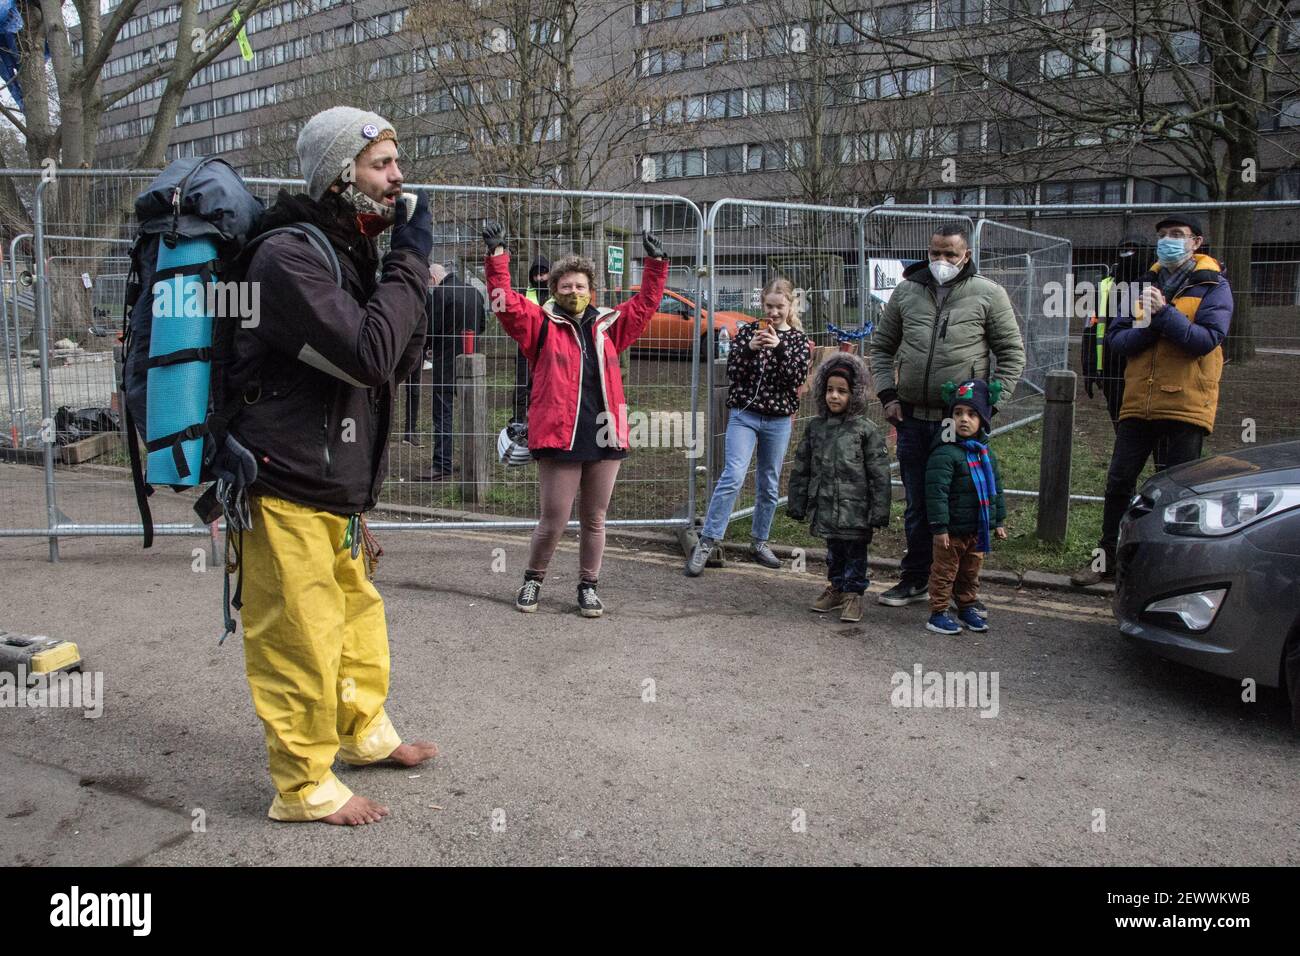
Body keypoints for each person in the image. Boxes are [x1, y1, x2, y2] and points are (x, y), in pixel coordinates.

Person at [228, 106, 438, 825]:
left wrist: (410, 283)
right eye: (383, 163)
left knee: (354, 621)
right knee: (299, 638)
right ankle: (303, 788)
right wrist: (410, 260)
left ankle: (364, 735)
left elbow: (385, 369)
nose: (398, 178)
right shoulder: (284, 258)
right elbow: (369, 353)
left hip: (335, 488)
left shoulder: (347, 254)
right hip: (282, 482)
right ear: (337, 172)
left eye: (397, 162)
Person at [483, 222, 668, 617]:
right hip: (559, 436)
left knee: (595, 520)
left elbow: (646, 305)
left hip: (605, 436)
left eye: (580, 286)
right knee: (553, 520)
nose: (573, 292)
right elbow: (505, 304)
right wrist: (498, 258)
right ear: (555, 291)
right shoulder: (541, 326)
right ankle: (533, 579)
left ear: (591, 291)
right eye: (565, 286)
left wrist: (656, 264)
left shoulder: (608, 327)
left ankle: (588, 586)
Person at [868, 223, 1025, 609]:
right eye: (935, 252)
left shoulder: (988, 295)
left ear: (965, 255)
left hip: (958, 424)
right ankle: (915, 578)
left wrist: (988, 406)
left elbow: (1011, 354)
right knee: (920, 504)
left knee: (959, 506)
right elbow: (882, 348)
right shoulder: (906, 292)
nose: (941, 261)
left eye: (950, 254)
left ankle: (960, 589)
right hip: (911, 420)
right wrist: (888, 394)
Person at [1071, 215, 1232, 587]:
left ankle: (1171, 570)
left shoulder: (1214, 286)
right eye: (1162, 236)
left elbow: (1204, 340)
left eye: (1177, 235)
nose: (1168, 242)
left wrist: (1163, 314)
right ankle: (1105, 558)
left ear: (1197, 242)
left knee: (1178, 492)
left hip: (1186, 406)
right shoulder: (1143, 284)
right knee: (1118, 483)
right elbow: (1118, 340)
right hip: (1137, 402)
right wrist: (1152, 321)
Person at [684, 277, 812, 576]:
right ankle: (707, 541)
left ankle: (760, 541)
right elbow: (733, 372)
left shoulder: (797, 340)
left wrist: (778, 348)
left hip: (778, 419)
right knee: (733, 475)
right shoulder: (746, 333)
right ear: (762, 304)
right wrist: (750, 349)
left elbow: (795, 380)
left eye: (780, 306)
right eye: (769, 306)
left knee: (769, 482)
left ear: (790, 305)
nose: (774, 312)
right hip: (745, 414)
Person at [786, 353, 891, 623]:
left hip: (856, 509)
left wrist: (879, 511)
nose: (834, 396)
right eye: (830, 390)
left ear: (854, 394)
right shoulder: (816, 428)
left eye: (842, 391)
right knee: (833, 550)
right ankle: (836, 587)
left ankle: (853, 594)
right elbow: (802, 467)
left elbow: (879, 474)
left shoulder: (865, 430)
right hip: (826, 505)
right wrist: (797, 503)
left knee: (855, 553)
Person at [924, 379, 1008, 635]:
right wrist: (939, 528)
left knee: (970, 572)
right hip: (950, 533)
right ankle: (938, 612)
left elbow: (996, 490)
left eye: (972, 414)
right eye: (958, 413)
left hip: (976, 529)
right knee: (945, 573)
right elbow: (936, 493)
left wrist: (999, 521)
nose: (964, 419)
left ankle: (967, 606)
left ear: (983, 419)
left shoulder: (984, 453)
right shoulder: (944, 453)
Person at [418, 261, 486, 482]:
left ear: (433, 279)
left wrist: (427, 349)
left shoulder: (440, 294)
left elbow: (430, 329)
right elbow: (482, 325)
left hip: (445, 364)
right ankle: (474, 465)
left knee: (443, 415)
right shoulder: (473, 292)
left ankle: (442, 463)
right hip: (470, 361)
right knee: (471, 414)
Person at [1082, 234, 1150, 430]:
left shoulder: (1157, 283)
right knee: (1121, 427)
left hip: (1148, 370)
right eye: (1123, 249)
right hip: (1112, 370)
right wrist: (1089, 368)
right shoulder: (1104, 287)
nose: (1127, 254)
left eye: (1134, 249)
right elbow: (1091, 328)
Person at [400, 263, 442, 447]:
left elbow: (429, 323)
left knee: (413, 389)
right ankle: (408, 431)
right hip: (407, 346)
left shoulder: (425, 296)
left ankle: (410, 431)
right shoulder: (421, 294)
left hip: (411, 346)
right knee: (409, 388)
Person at [512, 256, 551, 426]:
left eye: (543, 274)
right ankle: (519, 420)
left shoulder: (558, 293)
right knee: (522, 384)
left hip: (550, 347)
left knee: (547, 384)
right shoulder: (525, 293)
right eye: (536, 275)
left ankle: (543, 419)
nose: (540, 278)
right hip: (526, 346)